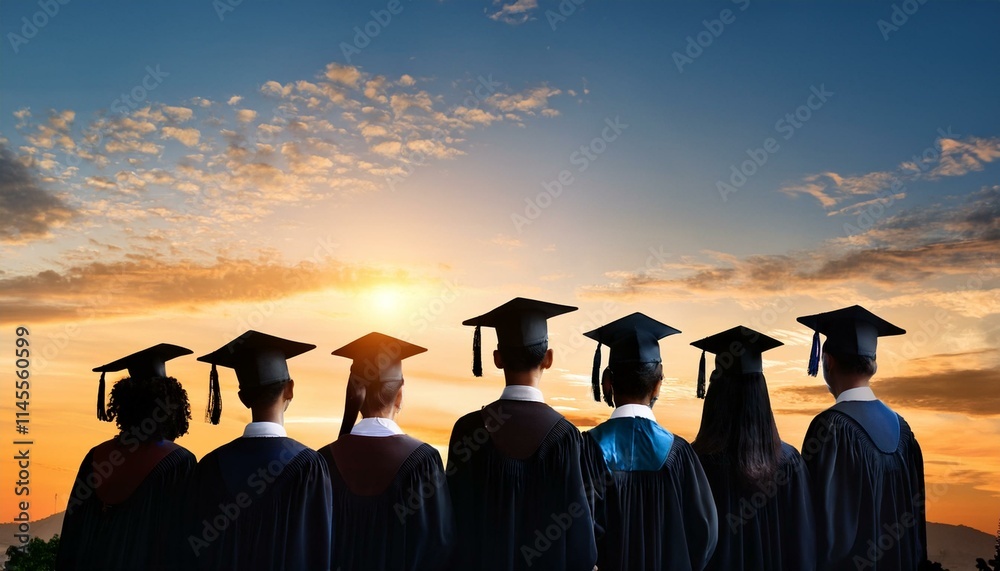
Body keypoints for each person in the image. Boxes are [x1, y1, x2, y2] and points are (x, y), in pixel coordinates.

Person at [448, 297, 597, 570]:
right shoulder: (567, 437)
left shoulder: (467, 430)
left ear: (497, 359)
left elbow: (451, 527)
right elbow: (580, 544)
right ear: (549, 359)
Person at [186, 330, 332, 570]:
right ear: (290, 390)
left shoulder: (210, 465)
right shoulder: (309, 467)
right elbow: (317, 553)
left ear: (243, 398)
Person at [582, 312, 718, 571]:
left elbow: (575, 535)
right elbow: (705, 535)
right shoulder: (679, 454)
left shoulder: (587, 449)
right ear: (658, 385)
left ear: (608, 383)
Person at [797, 305, 926, 570]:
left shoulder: (830, 428)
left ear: (828, 361)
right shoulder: (903, 430)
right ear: (872, 365)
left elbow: (814, 524)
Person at [319, 332, 454, 570]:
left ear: (355, 396)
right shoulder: (424, 461)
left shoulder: (324, 461)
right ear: (399, 394)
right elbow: (438, 547)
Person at [56, 343, 197, 571]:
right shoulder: (179, 462)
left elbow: (73, 537)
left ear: (124, 405)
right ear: (172, 406)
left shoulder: (96, 457)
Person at [690, 325, 816, 571]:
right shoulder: (789, 463)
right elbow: (803, 550)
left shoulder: (695, 462)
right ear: (761, 394)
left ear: (715, 396)